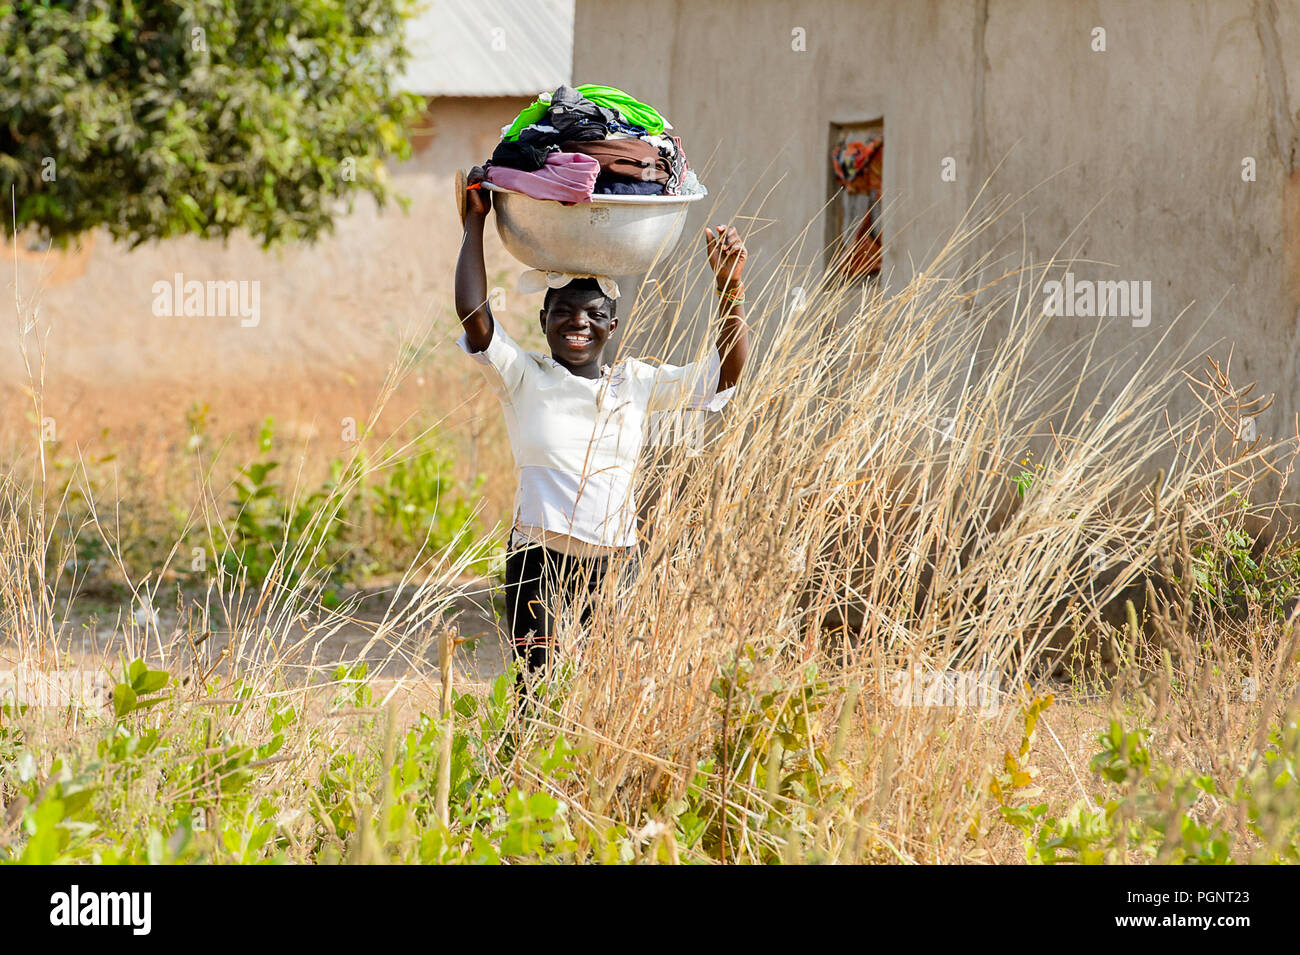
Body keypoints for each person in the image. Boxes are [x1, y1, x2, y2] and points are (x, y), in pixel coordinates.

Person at [454, 165, 749, 693]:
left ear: (612, 326)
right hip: (536, 562)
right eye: (562, 312)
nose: (577, 323)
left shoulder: (635, 385)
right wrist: (474, 224)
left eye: (592, 314)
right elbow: (476, 318)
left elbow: (724, 375)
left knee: (602, 691)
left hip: (614, 566)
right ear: (544, 321)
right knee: (537, 690)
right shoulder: (523, 377)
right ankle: (523, 773)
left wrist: (730, 291)